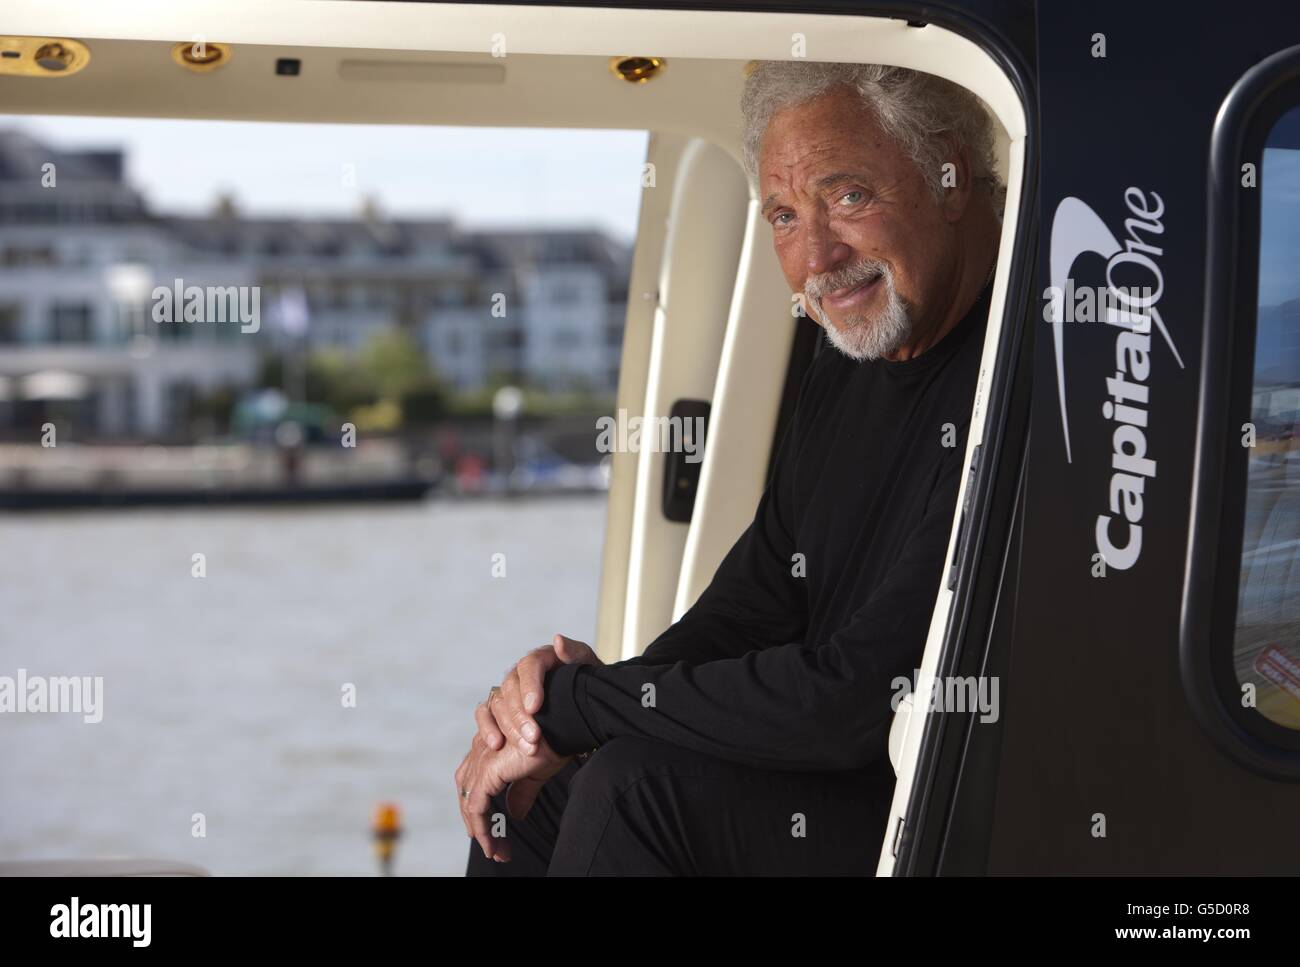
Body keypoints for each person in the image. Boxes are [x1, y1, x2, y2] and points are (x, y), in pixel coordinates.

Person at [456, 60, 1005, 876]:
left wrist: (592, 710)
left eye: (849, 196)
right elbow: (752, 607)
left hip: (958, 812)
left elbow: (857, 695)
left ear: (951, 173)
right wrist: (548, 716)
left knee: (634, 790)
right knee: (536, 799)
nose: (817, 256)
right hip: (842, 785)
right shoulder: (851, 360)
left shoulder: (1019, 367)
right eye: (784, 215)